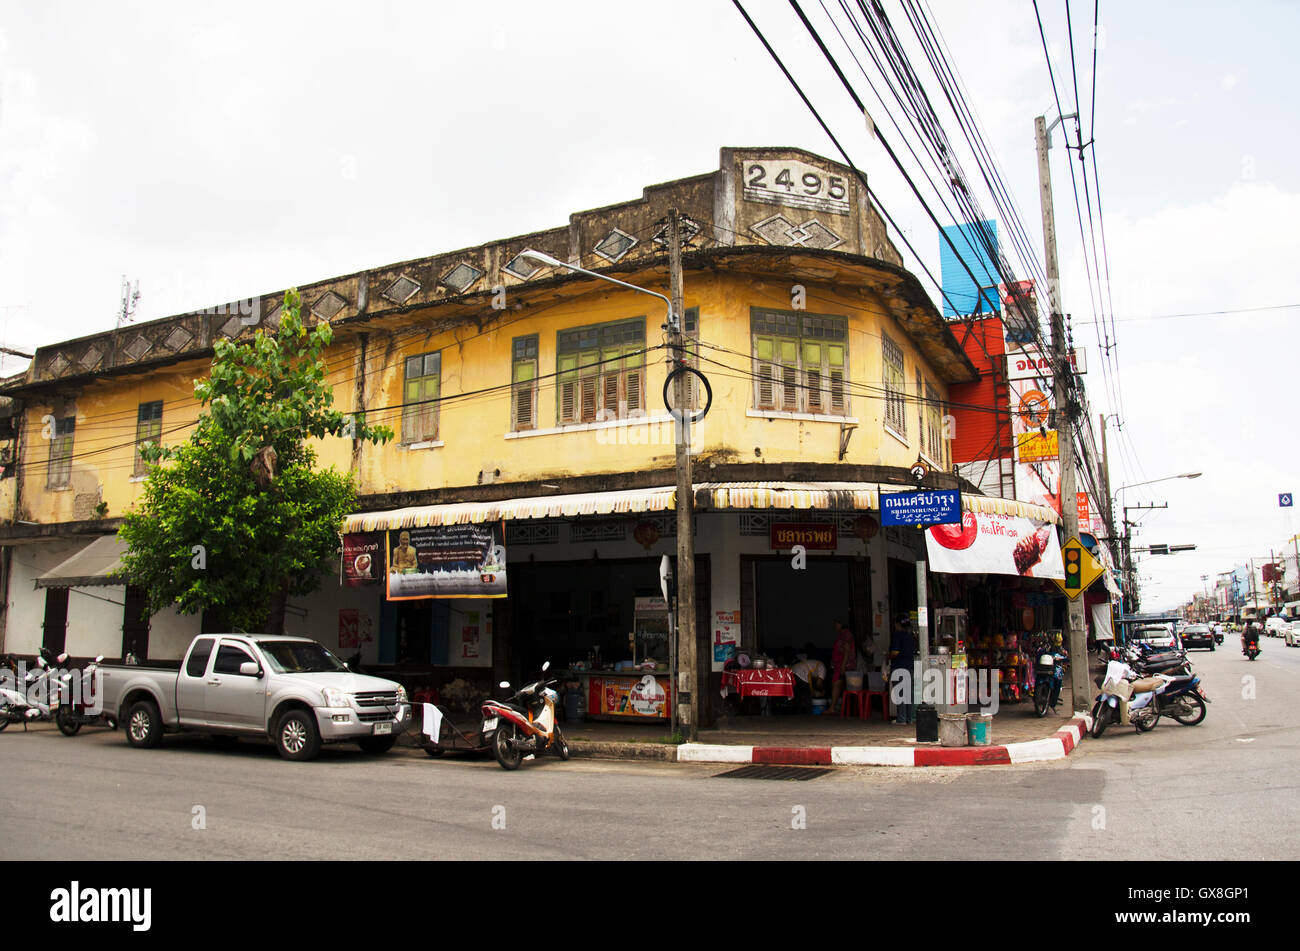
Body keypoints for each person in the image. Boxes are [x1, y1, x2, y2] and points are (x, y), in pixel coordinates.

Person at [888, 615, 918, 725]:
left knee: (900, 693)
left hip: (899, 667)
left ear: (897, 624)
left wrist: (887, 657)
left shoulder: (897, 635)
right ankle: (910, 719)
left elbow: (895, 652)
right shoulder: (910, 636)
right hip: (909, 667)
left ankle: (901, 719)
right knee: (909, 694)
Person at [829, 620, 857, 714]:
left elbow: (847, 650)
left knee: (836, 684)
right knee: (838, 685)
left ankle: (832, 708)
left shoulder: (847, 635)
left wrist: (843, 665)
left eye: (836, 623)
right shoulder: (842, 635)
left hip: (843, 664)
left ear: (841, 624)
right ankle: (836, 708)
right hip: (840, 664)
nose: (834, 625)